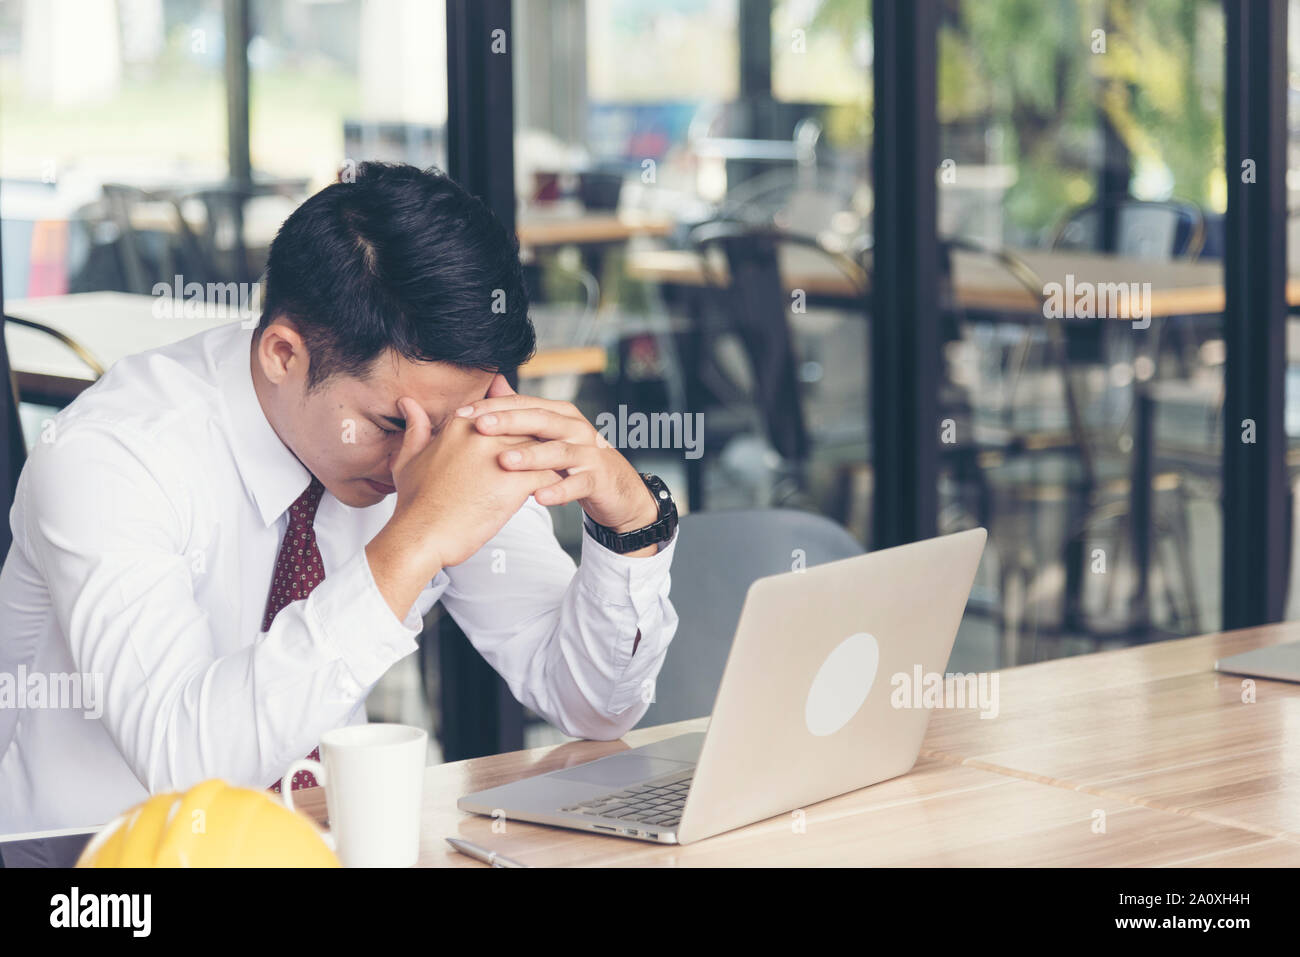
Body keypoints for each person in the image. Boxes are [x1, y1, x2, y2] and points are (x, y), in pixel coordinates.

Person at [0, 163, 680, 865]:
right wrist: (411, 543)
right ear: (283, 354)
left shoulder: (435, 433)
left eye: (452, 424)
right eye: (390, 421)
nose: (421, 458)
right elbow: (186, 762)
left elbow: (593, 703)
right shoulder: (112, 455)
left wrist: (631, 524)